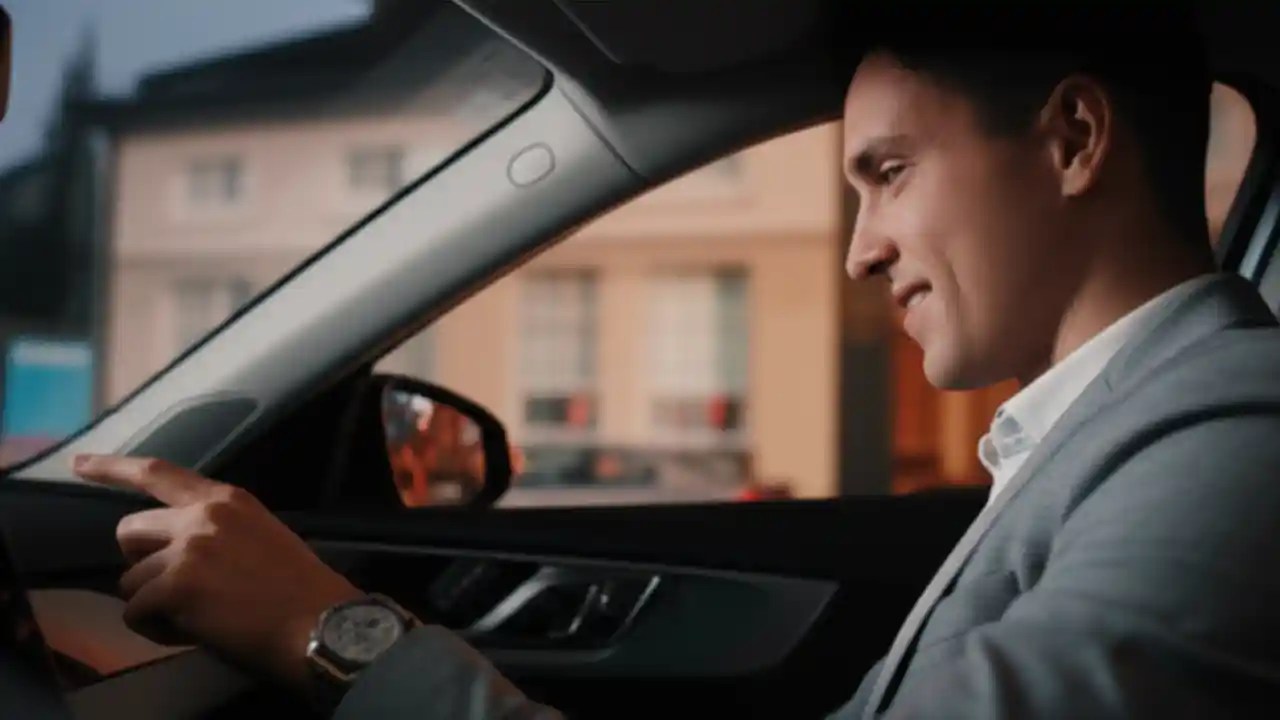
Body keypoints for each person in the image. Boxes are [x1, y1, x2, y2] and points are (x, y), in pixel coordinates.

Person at [62, 3, 1280, 718]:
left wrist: (331, 631)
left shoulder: (1234, 438)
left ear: (1071, 138)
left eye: (888, 174)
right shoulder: (1113, 435)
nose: (861, 253)